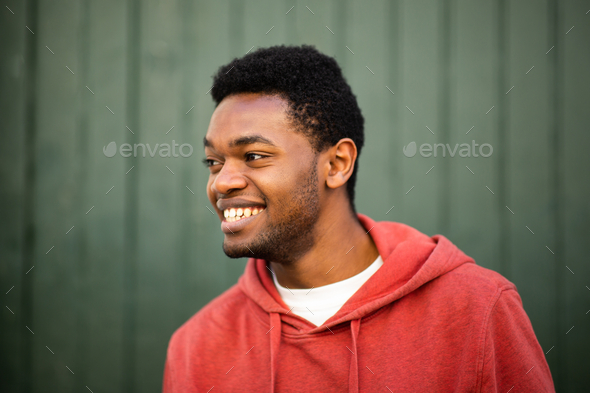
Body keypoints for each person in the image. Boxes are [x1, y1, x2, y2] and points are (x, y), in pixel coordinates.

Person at [163, 45, 554, 392]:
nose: (222, 182)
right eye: (214, 162)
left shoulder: (476, 310)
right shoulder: (197, 345)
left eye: (254, 156)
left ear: (337, 163)